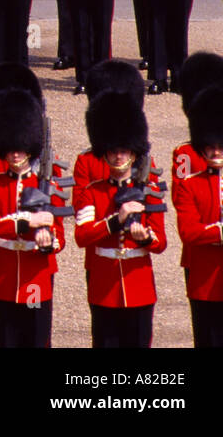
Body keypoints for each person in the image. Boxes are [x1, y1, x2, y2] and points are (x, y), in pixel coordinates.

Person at [74, 90, 166, 347]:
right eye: (113, 151)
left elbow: (161, 243)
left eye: (124, 151)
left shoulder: (149, 191)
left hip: (140, 285)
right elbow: (82, 236)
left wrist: (146, 238)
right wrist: (115, 221)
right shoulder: (93, 192)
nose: (118, 156)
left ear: (134, 154)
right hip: (104, 286)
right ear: (104, 153)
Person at [0, 88, 67, 348]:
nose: (15, 153)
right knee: (6, 342)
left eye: (20, 148)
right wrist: (26, 223)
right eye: (10, 148)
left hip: (35, 276)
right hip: (2, 275)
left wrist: (48, 240)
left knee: (36, 342)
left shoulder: (47, 182)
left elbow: (59, 233)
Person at [173, 86, 223, 346]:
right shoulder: (190, 184)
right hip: (204, 281)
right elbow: (188, 231)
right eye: (210, 147)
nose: (217, 152)